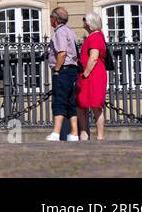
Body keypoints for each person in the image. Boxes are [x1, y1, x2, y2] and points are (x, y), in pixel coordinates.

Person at [45, 7, 81, 141]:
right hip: (72, 70)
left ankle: (56, 132)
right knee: (71, 102)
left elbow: (62, 53)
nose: (50, 21)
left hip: (63, 70)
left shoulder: (60, 32)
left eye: (50, 18)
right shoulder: (70, 31)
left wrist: (56, 70)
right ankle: (74, 133)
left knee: (59, 100)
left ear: (55, 19)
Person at [76, 11, 108, 141]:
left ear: (89, 23)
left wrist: (85, 73)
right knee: (81, 104)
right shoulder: (94, 36)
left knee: (95, 105)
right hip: (90, 74)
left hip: (92, 75)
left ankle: (99, 136)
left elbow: (93, 57)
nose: (83, 22)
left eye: (84, 20)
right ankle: (84, 133)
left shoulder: (95, 37)